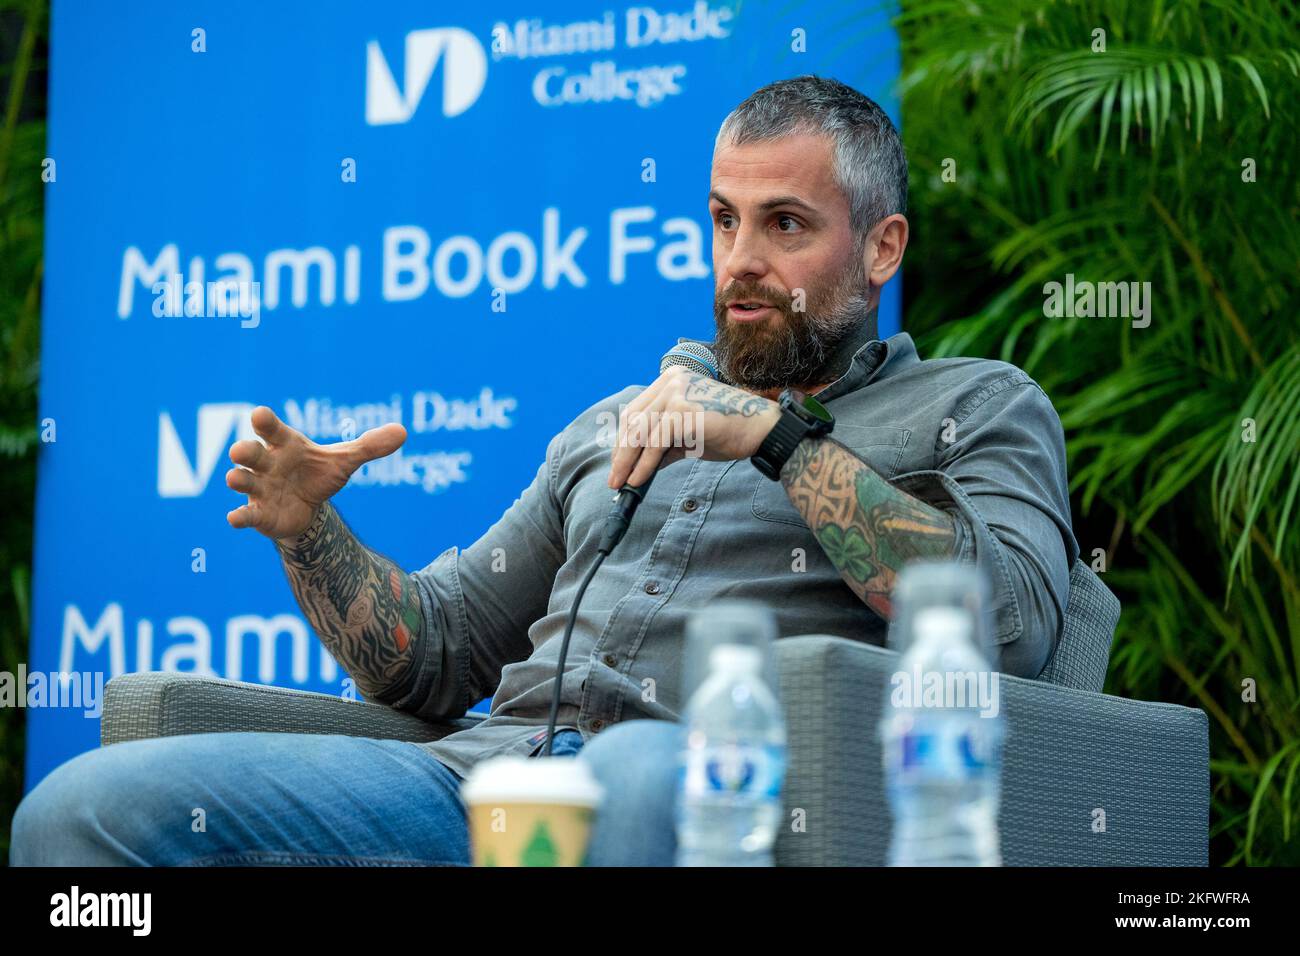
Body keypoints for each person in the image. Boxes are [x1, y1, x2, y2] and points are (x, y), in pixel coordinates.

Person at [11, 75, 1076, 866]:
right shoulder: (615, 420)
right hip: (486, 787)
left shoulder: (974, 406)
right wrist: (312, 535)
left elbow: (1015, 626)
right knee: (77, 810)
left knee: (634, 776)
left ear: (882, 249)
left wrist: (775, 439)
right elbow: (433, 655)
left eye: (784, 224)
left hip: (714, 794)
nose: (739, 259)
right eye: (722, 219)